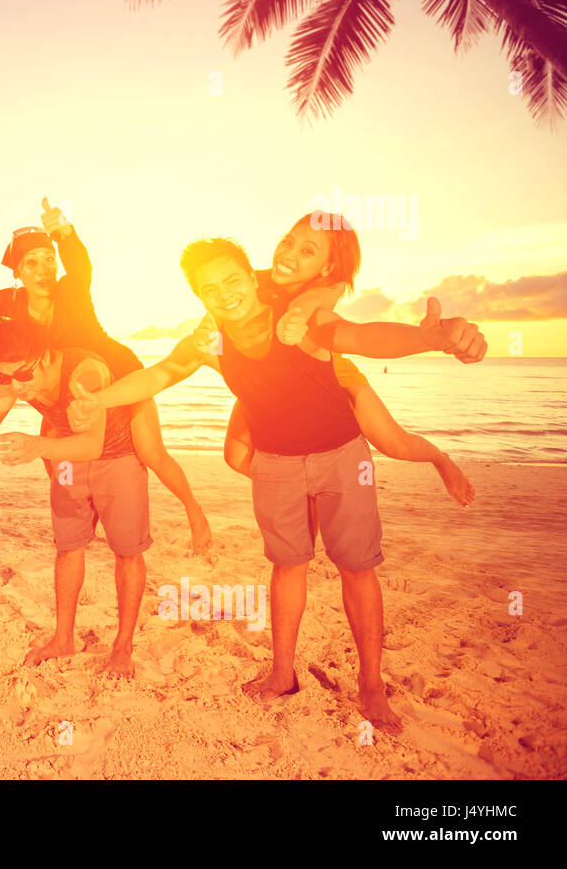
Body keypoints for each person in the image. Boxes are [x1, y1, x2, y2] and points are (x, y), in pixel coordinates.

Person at [68, 237, 487, 732]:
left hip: (339, 442)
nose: (224, 295)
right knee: (288, 563)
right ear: (198, 298)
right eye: (209, 289)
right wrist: (102, 401)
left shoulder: (296, 316)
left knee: (368, 527)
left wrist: (431, 339)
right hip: (278, 458)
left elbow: (364, 336)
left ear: (254, 277)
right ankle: (282, 674)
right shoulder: (210, 339)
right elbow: (159, 374)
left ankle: (371, 686)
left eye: (232, 280)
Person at [0, 200, 214, 553]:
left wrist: (64, 233)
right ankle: (83, 507)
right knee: (53, 451)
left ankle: (193, 510)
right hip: (66, 390)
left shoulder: (71, 290)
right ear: (17, 272)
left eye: (48, 260)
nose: (43, 269)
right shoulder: (14, 303)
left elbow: (81, 266)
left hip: (117, 377)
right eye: (31, 263)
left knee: (151, 452)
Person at [220, 212, 473, 505]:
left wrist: (426, 340)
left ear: (327, 267)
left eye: (307, 250)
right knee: (235, 456)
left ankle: (441, 461)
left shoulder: (321, 293)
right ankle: (305, 490)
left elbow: (358, 336)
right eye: (288, 242)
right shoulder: (255, 281)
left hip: (330, 375)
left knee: (393, 443)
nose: (288, 254)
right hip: (270, 380)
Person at [0, 319, 151, 677]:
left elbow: (92, 444)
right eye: (5, 378)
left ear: (45, 356)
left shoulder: (84, 372)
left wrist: (37, 446)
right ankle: (63, 638)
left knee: (128, 551)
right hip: (67, 456)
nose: (17, 387)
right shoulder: (15, 376)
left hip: (118, 456)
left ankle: (123, 647)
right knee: (68, 546)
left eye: (24, 375)